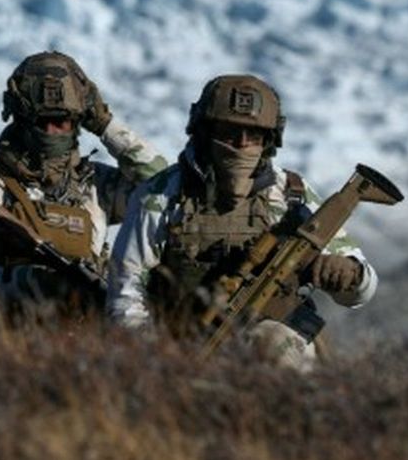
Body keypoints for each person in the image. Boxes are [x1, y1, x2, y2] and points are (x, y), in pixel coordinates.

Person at [107, 74, 377, 369]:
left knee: (280, 347)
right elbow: (127, 291)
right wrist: (155, 358)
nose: (241, 145)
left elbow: (362, 290)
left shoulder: (290, 195)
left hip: (272, 340)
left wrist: (349, 274)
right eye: (229, 133)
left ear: (269, 141)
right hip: (183, 344)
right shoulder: (161, 195)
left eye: (254, 136)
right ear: (204, 132)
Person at [0, 51, 167, 319]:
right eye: (43, 121)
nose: (53, 131)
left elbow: (161, 186)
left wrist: (105, 124)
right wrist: (21, 283)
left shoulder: (98, 186)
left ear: (78, 122)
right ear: (20, 119)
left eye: (62, 121)